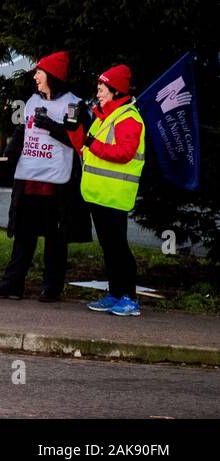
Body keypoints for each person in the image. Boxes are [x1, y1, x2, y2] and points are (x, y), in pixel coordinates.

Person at [0, 51, 91, 301]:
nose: (35, 76)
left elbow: (78, 140)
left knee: (55, 236)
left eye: (39, 72)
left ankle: (52, 287)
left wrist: (51, 126)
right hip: (29, 180)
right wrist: (8, 157)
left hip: (57, 183)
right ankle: (12, 284)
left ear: (52, 76)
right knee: (23, 234)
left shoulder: (74, 104)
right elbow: (22, 132)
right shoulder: (32, 100)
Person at [71, 64, 145, 317]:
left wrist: (92, 142)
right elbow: (85, 148)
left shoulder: (128, 118)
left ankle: (130, 299)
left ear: (115, 90)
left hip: (115, 195)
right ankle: (115, 294)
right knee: (109, 247)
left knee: (118, 248)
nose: (98, 92)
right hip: (99, 194)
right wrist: (75, 129)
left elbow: (124, 154)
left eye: (102, 88)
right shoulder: (104, 117)